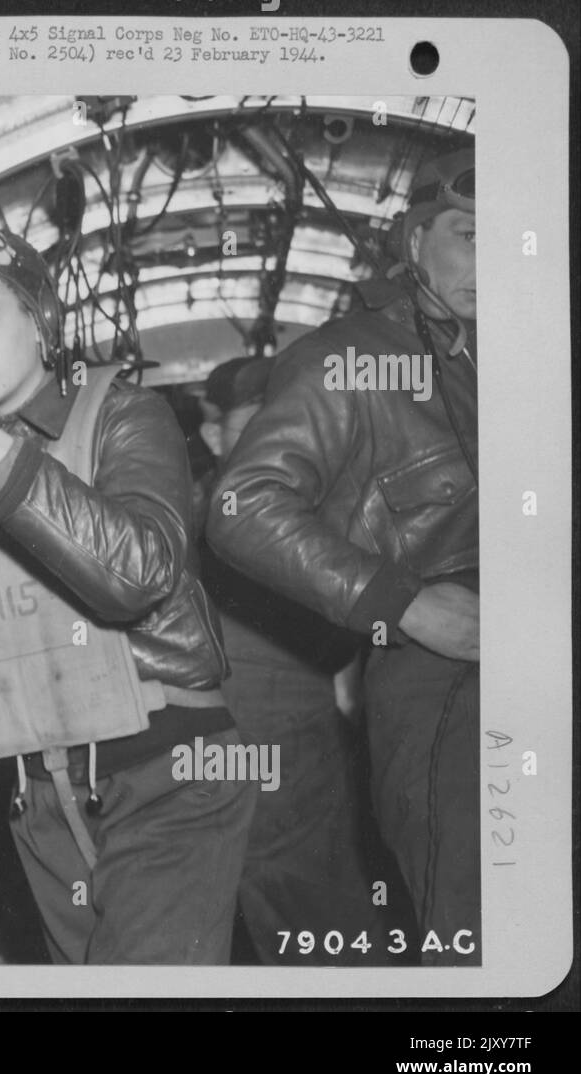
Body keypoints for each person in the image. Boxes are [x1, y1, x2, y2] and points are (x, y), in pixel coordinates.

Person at [0, 225, 255, 964]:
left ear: (39, 322)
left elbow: (139, 574)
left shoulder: (123, 413)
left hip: (169, 772)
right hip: (43, 797)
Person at [207, 148, 479, 964]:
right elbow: (244, 503)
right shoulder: (353, 357)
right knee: (481, 932)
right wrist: (405, 603)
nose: (499, 260)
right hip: (446, 688)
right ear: (416, 242)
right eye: (470, 235)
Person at [198, 356, 391, 965]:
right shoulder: (189, 512)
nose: (269, 435)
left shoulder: (318, 512)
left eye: (280, 420)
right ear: (212, 435)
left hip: (291, 749)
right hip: (226, 745)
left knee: (318, 920)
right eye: (251, 421)